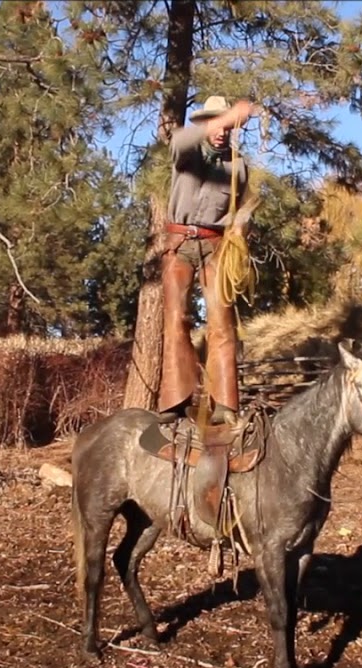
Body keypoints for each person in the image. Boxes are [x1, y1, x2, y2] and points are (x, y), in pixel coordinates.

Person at [156, 95, 258, 427]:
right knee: (176, 318)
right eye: (216, 124)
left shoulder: (238, 165)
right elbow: (179, 139)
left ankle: (225, 405)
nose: (223, 131)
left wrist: (242, 226)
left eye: (229, 126)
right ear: (204, 124)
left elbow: (241, 207)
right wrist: (229, 115)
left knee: (221, 322)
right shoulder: (186, 153)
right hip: (179, 245)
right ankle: (175, 400)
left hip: (217, 248)